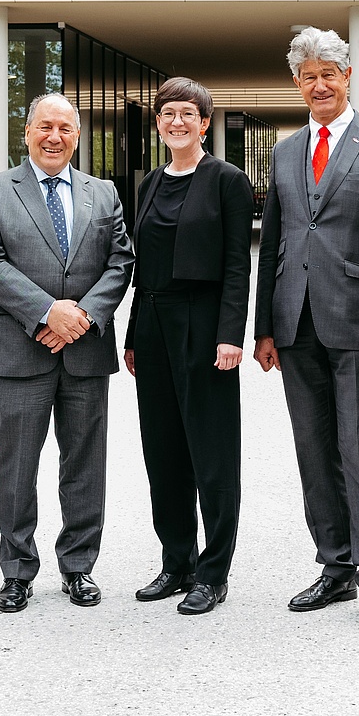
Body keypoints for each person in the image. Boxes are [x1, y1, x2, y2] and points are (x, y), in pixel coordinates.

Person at [253, 27, 359, 632]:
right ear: (297, 84)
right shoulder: (285, 151)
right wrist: (265, 326)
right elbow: (274, 242)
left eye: (329, 73)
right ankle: (335, 566)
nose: (319, 84)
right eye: (307, 76)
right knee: (314, 452)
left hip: (358, 323)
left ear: (348, 77)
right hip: (296, 325)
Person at [0, 92, 134, 613]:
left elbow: (120, 261)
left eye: (65, 128)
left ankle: (78, 567)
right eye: (45, 126)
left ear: (77, 136)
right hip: (17, 349)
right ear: (27, 132)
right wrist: (47, 313)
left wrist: (80, 317)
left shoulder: (103, 193)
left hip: (85, 349)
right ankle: (16, 572)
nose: (54, 136)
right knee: (16, 466)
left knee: (85, 463)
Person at [125, 77, 254, 616]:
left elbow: (236, 265)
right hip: (153, 322)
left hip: (204, 324)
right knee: (163, 450)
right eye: (167, 114)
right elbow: (140, 268)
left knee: (212, 451)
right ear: (158, 124)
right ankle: (176, 561)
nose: (177, 122)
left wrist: (231, 335)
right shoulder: (150, 182)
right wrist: (133, 335)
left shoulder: (227, 180)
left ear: (205, 123)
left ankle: (213, 570)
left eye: (187, 114)